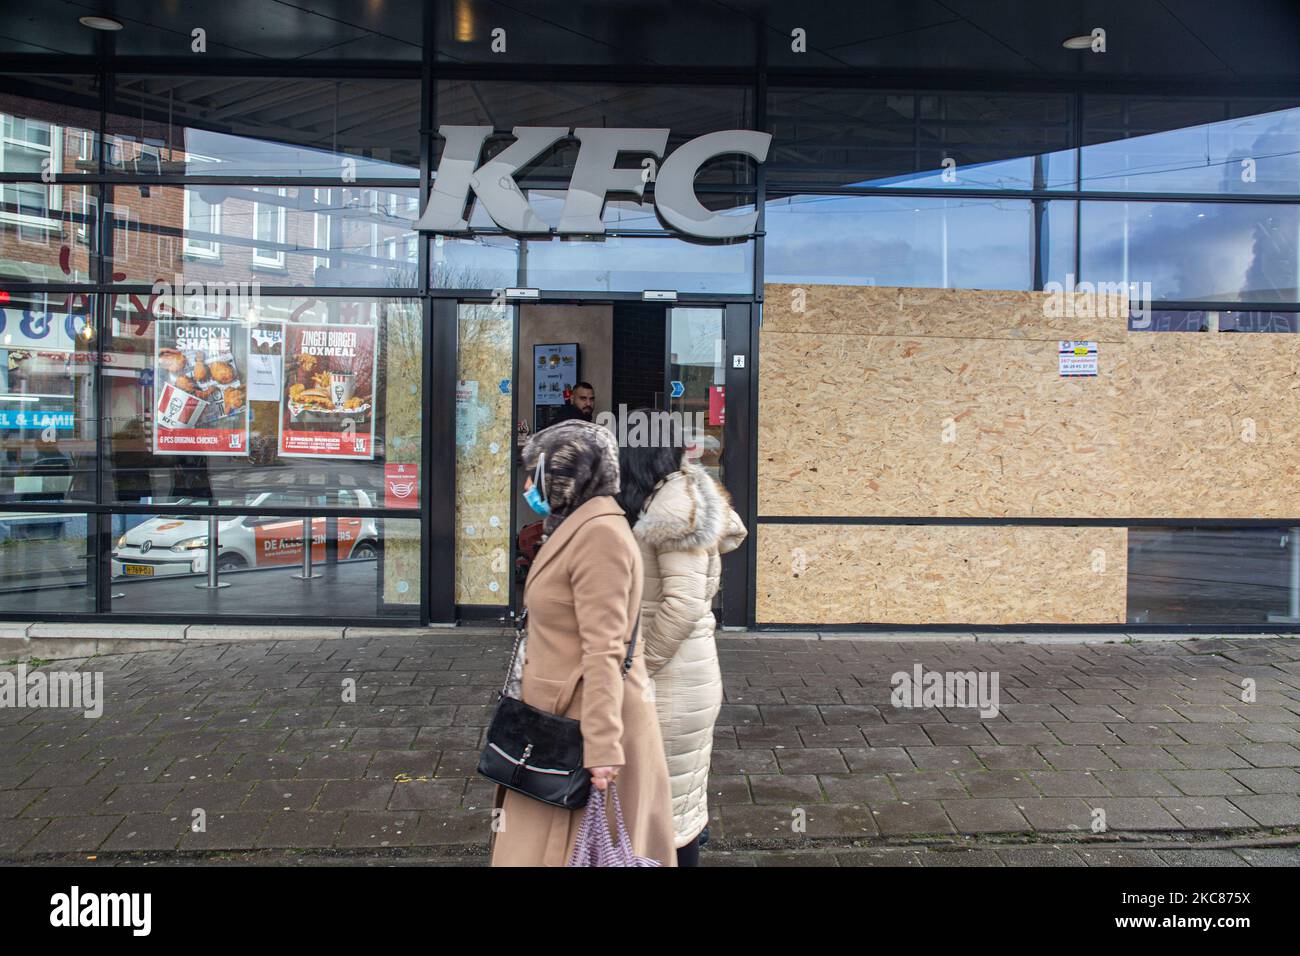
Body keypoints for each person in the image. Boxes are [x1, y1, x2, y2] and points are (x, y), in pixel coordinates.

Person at [490, 419, 675, 867]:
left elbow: (605, 650)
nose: (529, 486)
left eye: (536, 473)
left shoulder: (599, 536)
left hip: (580, 733)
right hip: (554, 722)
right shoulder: (576, 524)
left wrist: (602, 750)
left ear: (569, 475)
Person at [616, 429, 746, 867]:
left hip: (673, 679)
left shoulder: (673, 506)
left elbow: (684, 604)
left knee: (670, 813)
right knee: (674, 803)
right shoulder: (680, 494)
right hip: (683, 673)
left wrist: (639, 665)